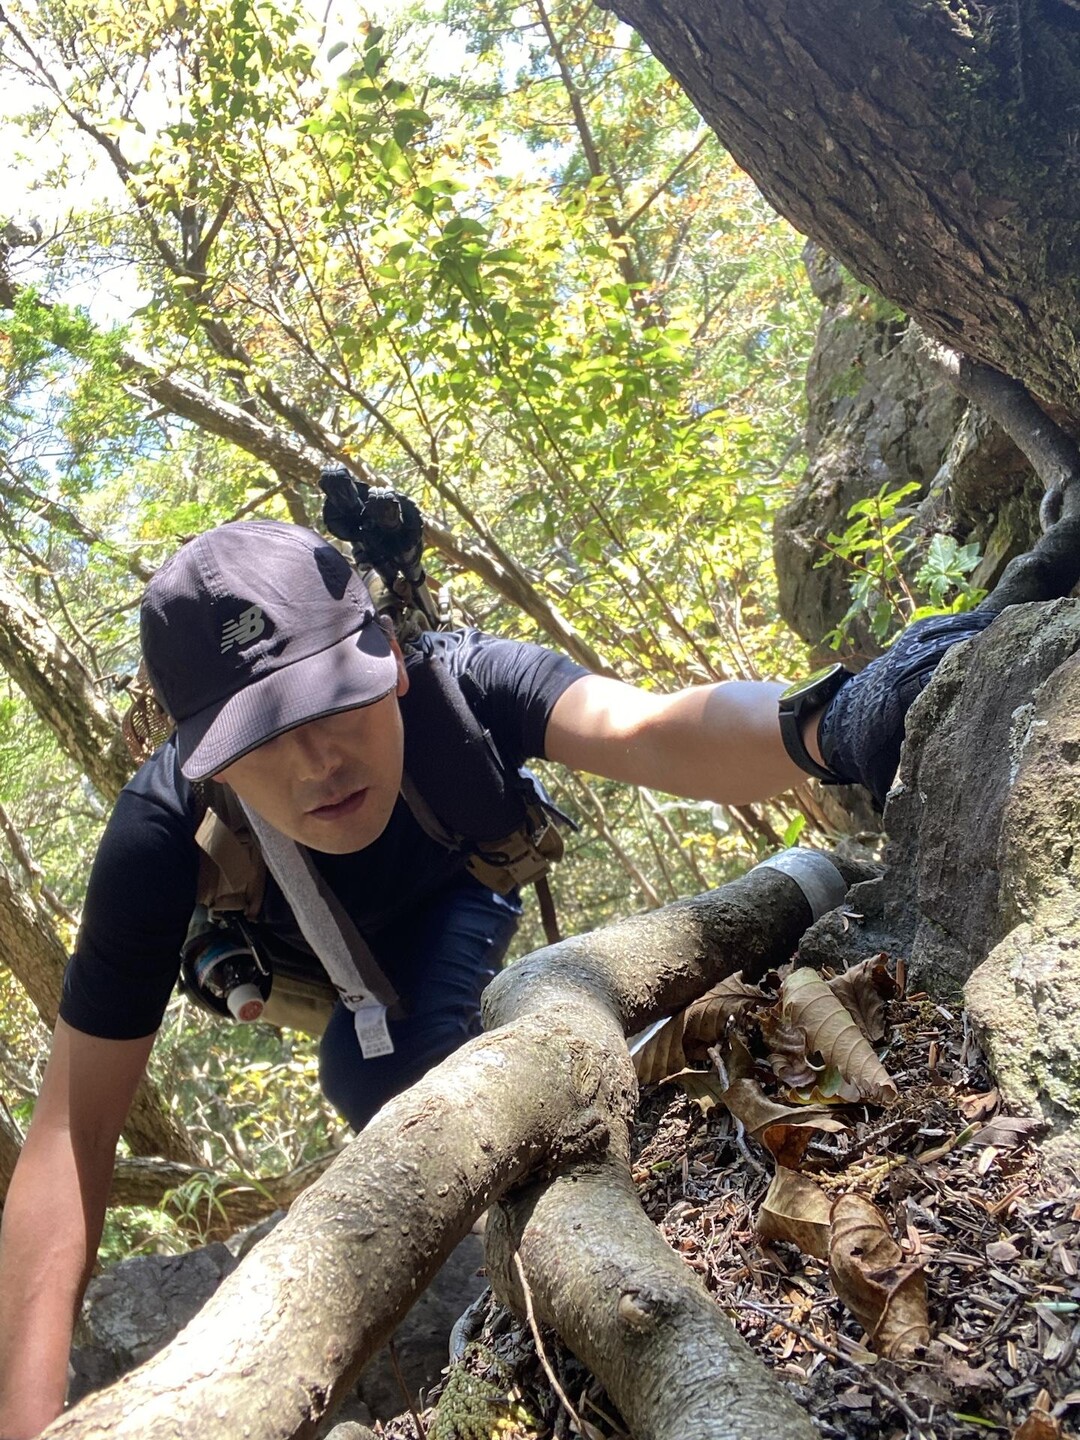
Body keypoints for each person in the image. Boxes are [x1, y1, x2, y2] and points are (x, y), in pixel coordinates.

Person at [0, 518, 993, 1437]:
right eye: (260, 736)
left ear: (385, 662)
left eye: (327, 698)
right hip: (328, 964)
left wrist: (825, 721)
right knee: (357, 1074)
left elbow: (651, 727)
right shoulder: (158, 834)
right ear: (207, 760)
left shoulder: (460, 683)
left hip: (454, 895)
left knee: (407, 1068)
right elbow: (71, 1133)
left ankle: (545, 1212)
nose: (314, 761)